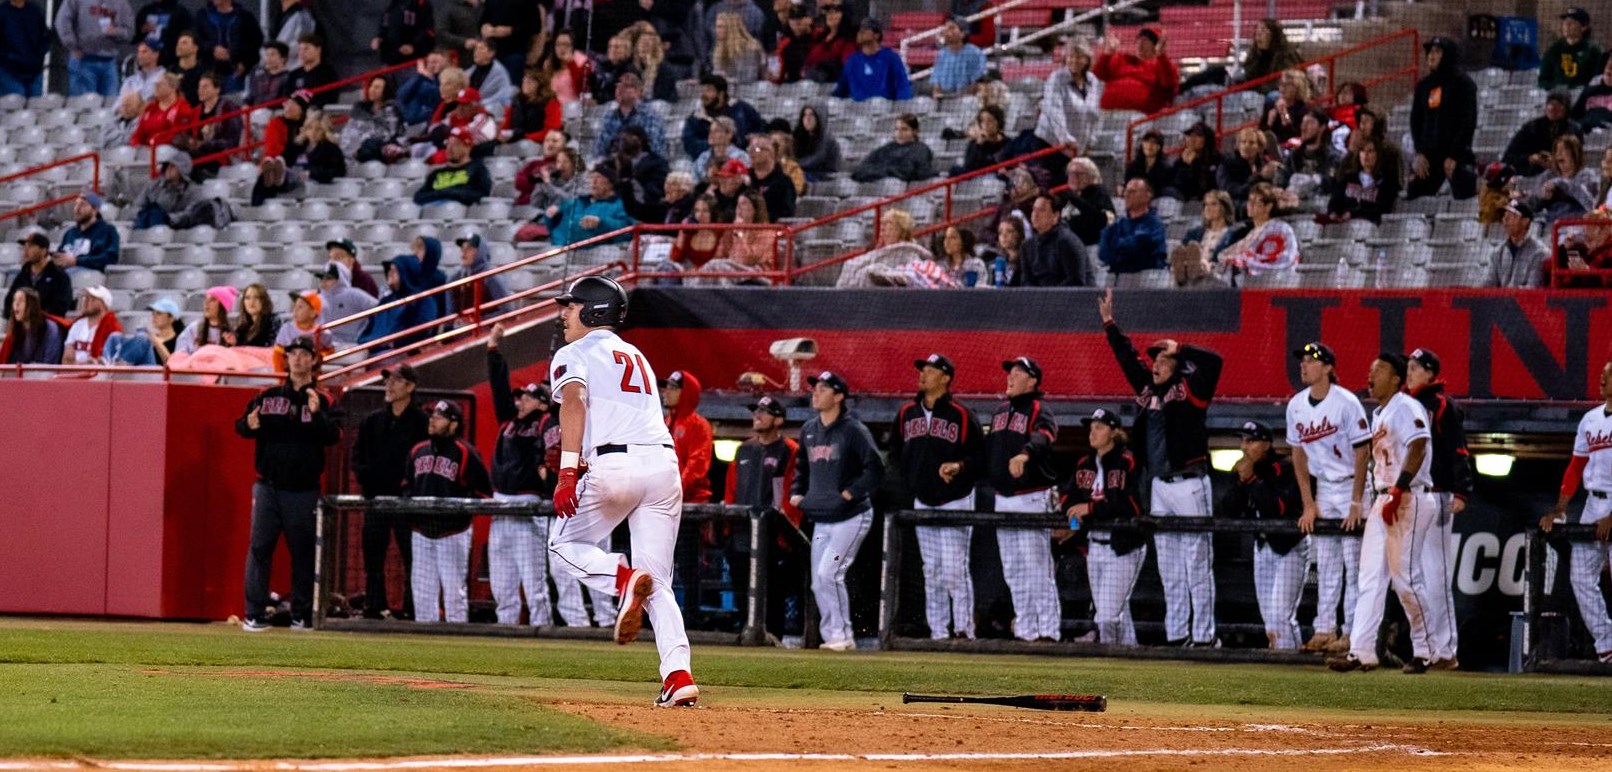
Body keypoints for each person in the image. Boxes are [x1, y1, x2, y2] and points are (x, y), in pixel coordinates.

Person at [545, 276, 699, 706]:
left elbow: (573, 401)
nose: (564, 313)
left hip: (616, 465)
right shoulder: (637, 355)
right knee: (659, 583)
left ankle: (624, 579)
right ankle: (678, 675)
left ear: (594, 311)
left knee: (562, 544)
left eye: (571, 305)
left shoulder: (573, 351)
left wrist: (567, 470)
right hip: (663, 466)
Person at [1100, 288, 1223, 647]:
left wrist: (1181, 348)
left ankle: (1204, 637)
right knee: (1169, 566)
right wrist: (1110, 325)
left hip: (1189, 483)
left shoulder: (1190, 390)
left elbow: (1214, 362)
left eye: (1163, 360)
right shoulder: (1147, 390)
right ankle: (1177, 635)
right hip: (1159, 487)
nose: (1156, 363)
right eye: (1154, 359)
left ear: (1178, 366)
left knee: (1197, 563)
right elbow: (1127, 360)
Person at [1328, 354, 1440, 674]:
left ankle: (1425, 650)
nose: (1371, 375)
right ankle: (1361, 651)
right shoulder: (1379, 413)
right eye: (1370, 370)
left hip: (1408, 496)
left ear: (1396, 378)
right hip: (1385, 497)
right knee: (1370, 578)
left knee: (1405, 579)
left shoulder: (1405, 406)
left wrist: (1399, 489)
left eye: (1379, 371)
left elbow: (1419, 446)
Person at [235, 335, 340, 631]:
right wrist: (248, 425)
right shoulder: (267, 395)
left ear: (314, 360)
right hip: (267, 485)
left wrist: (317, 415)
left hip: (303, 489)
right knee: (259, 548)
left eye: (304, 354)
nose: (297, 359)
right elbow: (242, 425)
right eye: (292, 353)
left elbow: (335, 436)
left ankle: (301, 614)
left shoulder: (324, 398)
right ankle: (254, 613)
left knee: (303, 552)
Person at [1285, 342, 1370, 656]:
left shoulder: (1345, 402)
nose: (1304, 365)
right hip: (1324, 487)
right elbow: (1298, 455)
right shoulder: (1296, 405)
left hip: (1350, 485)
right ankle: (1324, 629)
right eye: (1303, 360)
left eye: (1311, 361)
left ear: (1328, 368)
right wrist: (1309, 503)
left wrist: (1356, 502)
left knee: (1355, 564)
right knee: (1327, 564)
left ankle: (1350, 632)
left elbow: (1363, 452)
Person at [890, 354, 982, 640]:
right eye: (922, 370)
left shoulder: (962, 414)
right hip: (922, 500)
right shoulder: (907, 413)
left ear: (945, 377)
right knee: (931, 570)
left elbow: (980, 457)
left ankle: (964, 629)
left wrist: (959, 466)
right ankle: (939, 631)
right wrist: (910, 482)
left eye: (930, 370)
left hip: (955, 499)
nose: (923, 374)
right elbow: (895, 453)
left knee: (955, 569)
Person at [788, 370, 882, 651]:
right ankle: (833, 636)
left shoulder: (853, 429)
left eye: (823, 388)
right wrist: (796, 492)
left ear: (839, 396)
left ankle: (842, 636)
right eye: (815, 388)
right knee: (819, 581)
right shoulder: (809, 429)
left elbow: (875, 467)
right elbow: (801, 468)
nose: (815, 392)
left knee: (829, 573)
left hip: (851, 516)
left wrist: (851, 492)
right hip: (822, 517)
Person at [480, 326, 554, 627]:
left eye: (528, 398)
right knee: (502, 581)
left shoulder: (545, 423)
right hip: (501, 505)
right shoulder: (509, 422)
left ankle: (543, 632)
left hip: (528, 506)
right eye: (521, 397)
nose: (521, 401)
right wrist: (493, 351)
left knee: (534, 584)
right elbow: (499, 388)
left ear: (543, 403)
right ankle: (505, 632)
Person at [1540, 358, 1612, 666]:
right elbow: (1575, 467)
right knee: (1580, 576)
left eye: (1609, 375)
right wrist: (1560, 508)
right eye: (1602, 374)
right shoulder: (1590, 420)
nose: (1602, 380)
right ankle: (1607, 644)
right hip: (1594, 503)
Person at [1404, 347, 1471, 671]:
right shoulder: (1404, 404)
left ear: (1430, 373)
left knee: (1436, 573)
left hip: (1439, 494)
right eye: (1408, 366)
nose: (1410, 372)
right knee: (1413, 573)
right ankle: (1427, 646)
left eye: (1416, 367)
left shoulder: (1442, 405)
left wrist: (1462, 490)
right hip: (1410, 496)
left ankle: (1444, 649)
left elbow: (1459, 450)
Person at [985, 357, 1060, 642]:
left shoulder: (1040, 408)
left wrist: (1026, 453)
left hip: (1031, 496)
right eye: (1010, 372)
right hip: (1003, 498)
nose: (1011, 377)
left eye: (1018, 373)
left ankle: (1049, 632)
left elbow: (1045, 435)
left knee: (1037, 568)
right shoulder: (1000, 411)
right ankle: (1027, 631)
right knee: (1013, 571)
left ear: (1032, 381)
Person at [1060, 407, 1145, 646]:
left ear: (1114, 432)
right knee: (1117, 612)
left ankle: (1109, 659)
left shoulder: (1127, 461)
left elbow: (1131, 505)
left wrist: (1091, 509)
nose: (1093, 432)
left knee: (1107, 616)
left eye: (1099, 427)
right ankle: (1131, 655)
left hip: (1123, 547)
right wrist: (1074, 524)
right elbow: (1069, 501)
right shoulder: (1084, 464)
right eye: (1091, 428)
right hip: (1094, 547)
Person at [724, 395, 805, 641]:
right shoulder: (743, 449)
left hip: (772, 536)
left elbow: (791, 491)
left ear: (778, 420)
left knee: (773, 592)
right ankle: (744, 634)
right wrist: (728, 526)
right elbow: (731, 489)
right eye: (755, 411)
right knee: (742, 589)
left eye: (764, 411)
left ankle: (773, 638)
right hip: (742, 533)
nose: (757, 415)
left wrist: (785, 532)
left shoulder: (789, 450)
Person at [1219, 420, 1306, 650]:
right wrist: (1241, 482)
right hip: (1263, 546)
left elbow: (1277, 509)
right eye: (1243, 441)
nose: (1244, 447)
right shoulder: (1244, 468)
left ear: (1267, 444)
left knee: (1280, 615)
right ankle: (1287, 659)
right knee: (1270, 618)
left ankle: (1290, 662)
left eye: (1251, 441)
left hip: (1289, 547)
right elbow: (1228, 511)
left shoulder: (1284, 467)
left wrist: (1253, 480)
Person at [405, 400, 493, 623]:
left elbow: (484, 493)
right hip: (421, 532)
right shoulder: (417, 450)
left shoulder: (465, 452)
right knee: (422, 592)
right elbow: (406, 486)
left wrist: (459, 509)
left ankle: (458, 635)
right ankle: (425, 635)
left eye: (439, 416)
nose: (432, 419)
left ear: (453, 424)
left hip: (453, 533)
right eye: (432, 415)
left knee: (454, 592)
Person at [351, 364, 427, 619]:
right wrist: (368, 482)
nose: (389, 385)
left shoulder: (422, 422)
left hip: (408, 503)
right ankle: (374, 606)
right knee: (373, 556)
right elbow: (357, 457)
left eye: (396, 380)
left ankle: (411, 609)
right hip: (377, 500)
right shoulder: (372, 421)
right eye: (388, 380)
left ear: (410, 387)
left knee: (412, 557)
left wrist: (411, 490)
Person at [1407, 37, 1478, 201]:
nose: (1431, 56)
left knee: (1465, 192)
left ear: (1448, 55)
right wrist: (1419, 152)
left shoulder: (1464, 83)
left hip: (1457, 155)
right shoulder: (1423, 85)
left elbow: (1468, 122)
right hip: (1429, 157)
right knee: (1414, 192)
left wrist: (1454, 156)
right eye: (1430, 51)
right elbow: (1415, 120)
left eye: (1437, 51)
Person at [1219, 183, 1299, 279]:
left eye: (1256, 201)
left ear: (1268, 206)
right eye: (1249, 200)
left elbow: (1278, 262)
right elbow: (1224, 254)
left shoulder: (1279, 228)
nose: (1250, 205)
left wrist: (1242, 261)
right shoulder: (1252, 232)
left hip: (1273, 282)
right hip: (1246, 282)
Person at [56, 0, 134, 98]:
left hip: (109, 62)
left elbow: (129, 31)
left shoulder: (121, 2)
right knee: (85, 104)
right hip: (83, 59)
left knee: (110, 104)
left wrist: (116, 31)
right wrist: (72, 45)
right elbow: (62, 21)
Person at [1092, 26, 1177, 115]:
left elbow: (1169, 82)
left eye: (1146, 41)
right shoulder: (1122, 58)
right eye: (1139, 40)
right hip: (1108, 114)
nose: (1141, 43)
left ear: (1156, 45)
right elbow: (1098, 75)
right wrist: (1107, 54)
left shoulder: (1161, 65)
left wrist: (1161, 56)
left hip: (1140, 117)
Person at [545, 166, 635, 248]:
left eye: (598, 178)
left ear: (610, 183)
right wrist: (550, 217)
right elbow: (551, 226)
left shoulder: (619, 205)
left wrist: (601, 223)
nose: (593, 182)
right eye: (591, 178)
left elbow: (627, 231)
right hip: (557, 248)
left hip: (593, 254)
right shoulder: (577, 202)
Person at [1503, 90, 1583, 178]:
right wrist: (1530, 158)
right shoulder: (1531, 127)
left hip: (1563, 177)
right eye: (1550, 104)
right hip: (1530, 176)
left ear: (1566, 108)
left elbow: (1577, 160)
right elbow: (1508, 158)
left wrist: (1556, 162)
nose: (1552, 108)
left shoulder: (1574, 129)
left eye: (1558, 105)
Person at [1018, 193, 1092, 286]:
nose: (1035, 215)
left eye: (1041, 210)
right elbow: (1026, 280)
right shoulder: (1027, 246)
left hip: (1070, 294)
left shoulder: (1067, 241)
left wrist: (1048, 294)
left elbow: (1075, 280)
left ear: (1055, 216)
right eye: (1034, 209)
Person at [662, 371, 713, 505]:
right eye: (666, 387)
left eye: (673, 388)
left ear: (686, 393)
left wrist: (674, 494)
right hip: (667, 502)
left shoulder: (699, 425)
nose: (666, 392)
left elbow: (697, 465)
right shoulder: (664, 424)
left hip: (692, 503)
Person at [1098, 178, 1167, 276]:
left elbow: (1136, 246)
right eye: (1126, 191)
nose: (1126, 195)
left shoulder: (1154, 224)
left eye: (1132, 192)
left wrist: (1115, 244)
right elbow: (1103, 254)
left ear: (1147, 196)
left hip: (1146, 278)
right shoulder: (1118, 224)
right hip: (1119, 278)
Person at [832, 18, 912, 102]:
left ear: (876, 35)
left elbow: (902, 86)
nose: (860, 32)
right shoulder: (852, 60)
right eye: (859, 30)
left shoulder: (891, 58)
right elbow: (841, 88)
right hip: (857, 108)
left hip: (884, 107)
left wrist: (902, 105)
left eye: (865, 29)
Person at [1325, 137, 1400, 224]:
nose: (1365, 155)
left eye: (1370, 151)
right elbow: (1335, 200)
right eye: (1362, 150)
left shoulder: (1388, 181)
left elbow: (1384, 208)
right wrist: (1333, 212)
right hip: (1345, 226)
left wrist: (1354, 214)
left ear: (1378, 155)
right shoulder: (1348, 178)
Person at [195, 0, 264, 93]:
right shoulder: (203, 15)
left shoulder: (244, 16)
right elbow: (196, 40)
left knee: (233, 100)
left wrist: (245, 63)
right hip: (209, 71)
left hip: (236, 73)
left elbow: (255, 42)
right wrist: (212, 49)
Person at [595, 72, 668, 159]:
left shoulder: (649, 115)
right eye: (618, 85)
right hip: (615, 161)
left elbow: (654, 149)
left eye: (626, 86)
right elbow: (600, 149)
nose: (620, 89)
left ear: (638, 91)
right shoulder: (609, 116)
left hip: (643, 163)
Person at [413, 127, 492, 206]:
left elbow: (481, 195)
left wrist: (450, 193)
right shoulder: (437, 173)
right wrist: (443, 193)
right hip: (434, 209)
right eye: (448, 144)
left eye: (456, 144)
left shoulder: (477, 170)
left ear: (467, 148)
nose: (450, 148)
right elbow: (419, 197)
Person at [7, 232, 74, 318]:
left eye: (31, 246)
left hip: (46, 322)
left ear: (43, 251)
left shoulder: (60, 276)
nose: (26, 250)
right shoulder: (22, 275)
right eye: (24, 246)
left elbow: (61, 306)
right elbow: (9, 301)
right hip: (21, 321)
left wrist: (36, 316)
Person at [851, 113, 933, 183]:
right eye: (896, 129)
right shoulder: (886, 148)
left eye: (904, 129)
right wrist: (887, 171)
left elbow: (908, 172)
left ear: (915, 131)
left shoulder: (920, 149)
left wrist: (880, 171)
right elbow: (860, 171)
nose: (899, 133)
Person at [1486, 200, 1549, 288]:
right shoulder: (1497, 252)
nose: (1505, 220)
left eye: (1512, 216)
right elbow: (1488, 284)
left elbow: (1533, 288)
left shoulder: (1540, 253)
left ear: (1525, 221)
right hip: (1501, 297)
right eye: (1505, 215)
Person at [54, 194, 121, 276]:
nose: (77, 209)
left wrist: (77, 261)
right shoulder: (70, 233)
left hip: (90, 276)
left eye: (82, 205)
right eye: (76, 205)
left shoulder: (108, 231)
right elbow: (60, 255)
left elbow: (111, 258)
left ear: (95, 209)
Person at [1540, 7, 1603, 91]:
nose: (1566, 26)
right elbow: (1543, 80)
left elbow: (1598, 80)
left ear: (1584, 27)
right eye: (1565, 22)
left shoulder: (1593, 51)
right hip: (1556, 94)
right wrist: (1557, 88)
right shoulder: (1554, 49)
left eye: (1572, 23)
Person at [446, 232, 508, 315]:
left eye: (469, 248)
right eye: (462, 248)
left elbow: (506, 310)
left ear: (480, 252)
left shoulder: (492, 277)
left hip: (486, 322)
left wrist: (481, 320)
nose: (464, 252)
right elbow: (450, 311)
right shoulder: (455, 278)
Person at [271, 289, 334, 371]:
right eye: (295, 306)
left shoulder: (323, 333)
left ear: (313, 313)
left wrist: (319, 357)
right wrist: (281, 375)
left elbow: (328, 352)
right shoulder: (286, 329)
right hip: (289, 372)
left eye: (300, 307)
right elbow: (278, 355)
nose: (295, 310)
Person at [1217, 127, 1280, 208]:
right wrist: (1259, 177)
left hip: (1259, 203)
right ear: (1238, 145)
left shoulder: (1263, 163)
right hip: (1235, 205)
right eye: (1243, 142)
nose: (1246, 146)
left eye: (1251, 143)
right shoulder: (1227, 164)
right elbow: (1231, 191)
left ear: (1259, 147)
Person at [1, 288, 65, 365]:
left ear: (32, 305)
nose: (16, 304)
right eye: (14, 300)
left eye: (21, 300)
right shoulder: (16, 332)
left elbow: (50, 363)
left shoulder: (51, 329)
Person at [0, 0, 50, 98]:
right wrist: (7, 57)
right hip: (10, 71)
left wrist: (40, 54)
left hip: (34, 70)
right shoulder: (2, 12)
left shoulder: (34, 11)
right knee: (15, 103)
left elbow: (45, 36)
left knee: (35, 104)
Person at [1061, 157, 1114, 247]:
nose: (1074, 177)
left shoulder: (1099, 193)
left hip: (1091, 246)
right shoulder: (1067, 196)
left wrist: (1076, 200)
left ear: (1092, 176)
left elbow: (1102, 220)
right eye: (1070, 173)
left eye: (1079, 174)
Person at [504, 68, 562, 144]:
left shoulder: (550, 102)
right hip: (515, 141)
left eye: (531, 81)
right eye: (524, 79)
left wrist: (525, 137)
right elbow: (506, 125)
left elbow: (551, 131)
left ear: (540, 84)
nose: (526, 83)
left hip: (539, 143)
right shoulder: (516, 101)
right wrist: (502, 135)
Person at [931, 15, 984, 97]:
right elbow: (936, 82)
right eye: (945, 28)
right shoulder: (942, 54)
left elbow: (977, 82)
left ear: (963, 33)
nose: (946, 31)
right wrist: (938, 95)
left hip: (967, 98)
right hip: (945, 97)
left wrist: (958, 97)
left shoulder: (974, 53)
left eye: (951, 28)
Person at [174, 285, 237, 354]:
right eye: (206, 299)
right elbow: (179, 353)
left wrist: (233, 344)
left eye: (212, 300)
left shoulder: (232, 333)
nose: (206, 303)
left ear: (222, 306)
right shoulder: (194, 328)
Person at [746, 134, 795, 220]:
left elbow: (786, 215)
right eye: (750, 149)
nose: (751, 153)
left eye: (757, 149)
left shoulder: (783, 182)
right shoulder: (744, 177)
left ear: (772, 152)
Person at [373, 0, 435, 66]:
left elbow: (427, 31)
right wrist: (379, 38)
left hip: (412, 61)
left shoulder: (421, 4)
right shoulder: (390, 5)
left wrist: (414, 46)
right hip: (389, 60)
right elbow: (384, 26)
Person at [1172, 123, 1221, 203]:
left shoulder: (1217, 159)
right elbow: (1178, 187)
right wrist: (1186, 166)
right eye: (1189, 135)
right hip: (1186, 203)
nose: (1192, 139)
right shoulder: (1180, 162)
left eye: (1198, 136)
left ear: (1207, 139)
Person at [693, 116, 752, 184]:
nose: (711, 134)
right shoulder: (703, 158)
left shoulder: (741, 157)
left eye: (716, 131)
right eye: (710, 131)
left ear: (729, 134)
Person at [398, 49, 448, 127]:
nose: (433, 65)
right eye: (430, 62)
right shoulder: (419, 77)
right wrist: (419, 76)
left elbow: (437, 98)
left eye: (436, 62)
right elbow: (401, 95)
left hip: (431, 122)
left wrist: (431, 79)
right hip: (411, 121)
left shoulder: (446, 78)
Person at [1260, 70, 1311, 145]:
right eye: (1281, 84)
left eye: (1288, 85)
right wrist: (1269, 122)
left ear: (1297, 88)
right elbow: (1261, 130)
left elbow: (1295, 135)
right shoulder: (1271, 104)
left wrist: (1284, 114)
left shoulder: (1302, 108)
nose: (1283, 88)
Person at [712, 10, 765, 84]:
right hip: (727, 88)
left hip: (750, 89)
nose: (716, 30)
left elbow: (749, 78)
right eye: (716, 27)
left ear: (730, 28)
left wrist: (723, 79)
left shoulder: (750, 48)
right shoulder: (719, 48)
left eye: (720, 27)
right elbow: (717, 73)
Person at [285, 32, 337, 106]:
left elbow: (331, 97)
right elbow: (287, 97)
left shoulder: (328, 72)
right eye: (300, 49)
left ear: (318, 50)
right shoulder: (294, 74)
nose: (302, 53)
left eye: (306, 48)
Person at [954, 105, 1006, 177]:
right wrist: (979, 144)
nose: (985, 124)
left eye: (990, 120)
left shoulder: (1007, 144)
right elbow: (968, 167)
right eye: (982, 121)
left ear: (998, 122)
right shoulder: (975, 143)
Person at [464, 37, 513, 113]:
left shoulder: (499, 72)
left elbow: (503, 94)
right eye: (476, 49)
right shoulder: (471, 70)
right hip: (469, 106)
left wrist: (480, 104)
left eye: (481, 49)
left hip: (489, 108)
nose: (476, 52)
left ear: (491, 53)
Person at [134, 0, 191, 65]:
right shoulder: (145, 11)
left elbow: (188, 36)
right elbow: (136, 37)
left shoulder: (180, 12)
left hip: (172, 60)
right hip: (148, 60)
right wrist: (143, 30)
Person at [1124, 129, 1176, 200]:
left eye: (1154, 142)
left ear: (1159, 147)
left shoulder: (1166, 169)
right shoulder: (1132, 167)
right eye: (1146, 141)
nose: (1149, 145)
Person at [794, 103, 840, 179]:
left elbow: (816, 159)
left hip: (822, 179)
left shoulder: (829, 141)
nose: (807, 119)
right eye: (805, 115)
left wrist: (793, 164)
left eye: (812, 115)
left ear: (820, 117)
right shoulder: (798, 137)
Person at [1570, 55, 1612, 131]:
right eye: (1608, 65)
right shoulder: (1589, 91)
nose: (1609, 69)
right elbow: (1574, 117)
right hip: (1586, 132)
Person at [247, 40, 293, 107]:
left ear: (283, 58)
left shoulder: (289, 77)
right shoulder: (258, 75)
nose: (268, 58)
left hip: (276, 111)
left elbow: (285, 100)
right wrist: (246, 104)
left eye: (272, 55)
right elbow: (250, 96)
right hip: (254, 110)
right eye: (267, 55)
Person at [233, 283, 279, 347]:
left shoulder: (273, 321)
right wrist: (234, 343)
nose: (251, 302)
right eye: (247, 298)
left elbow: (273, 347)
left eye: (256, 297)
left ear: (264, 301)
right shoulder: (241, 327)